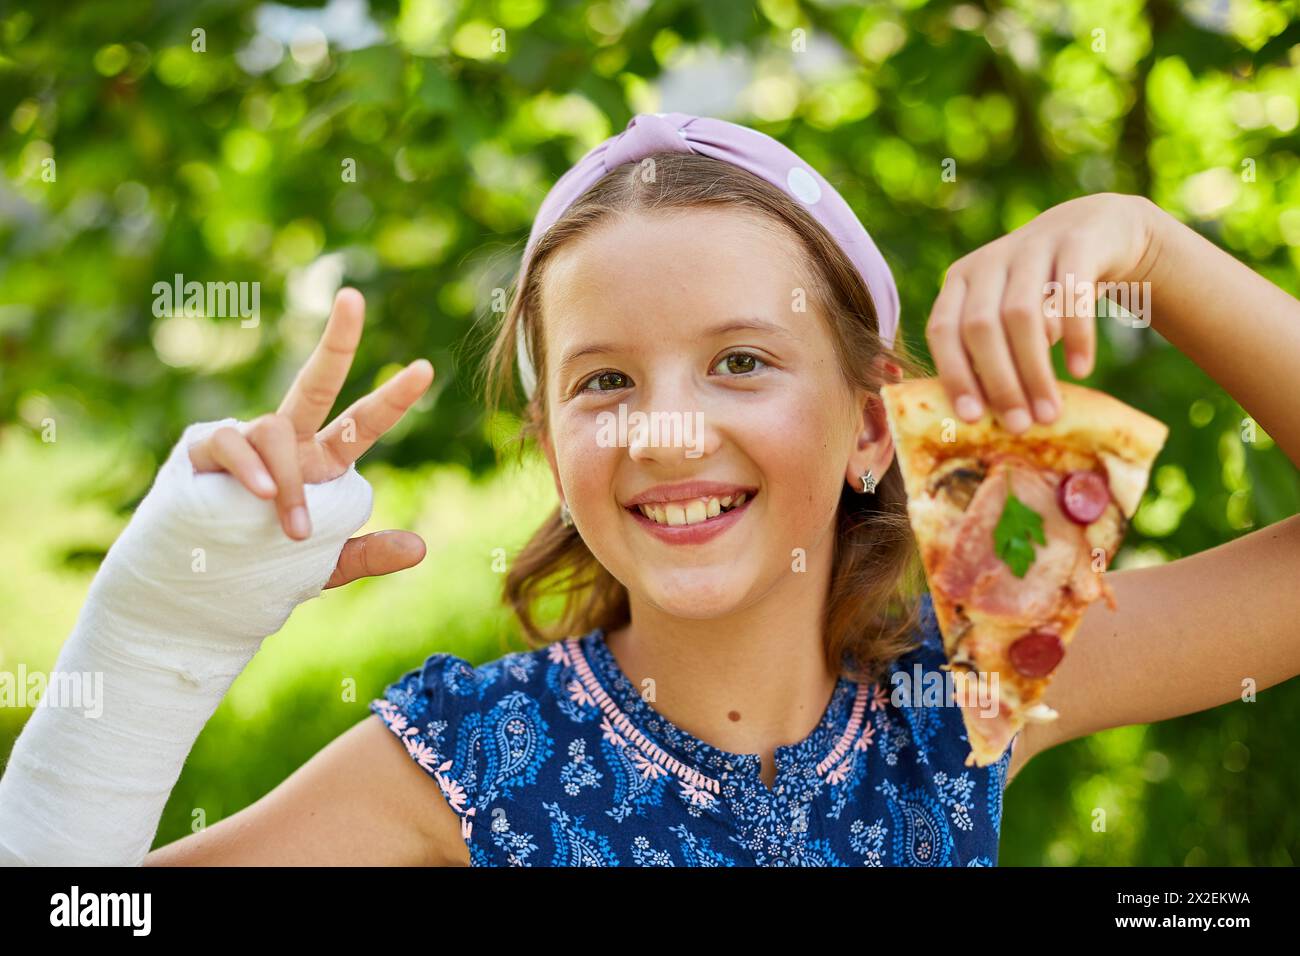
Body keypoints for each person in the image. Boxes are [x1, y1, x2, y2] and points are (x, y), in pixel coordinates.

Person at [2, 113, 1298, 867]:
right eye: (606, 382)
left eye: (742, 361)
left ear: (867, 425)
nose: (670, 431)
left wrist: (1154, 247)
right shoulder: (456, 761)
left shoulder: (976, 670)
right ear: (554, 442)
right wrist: (167, 625)